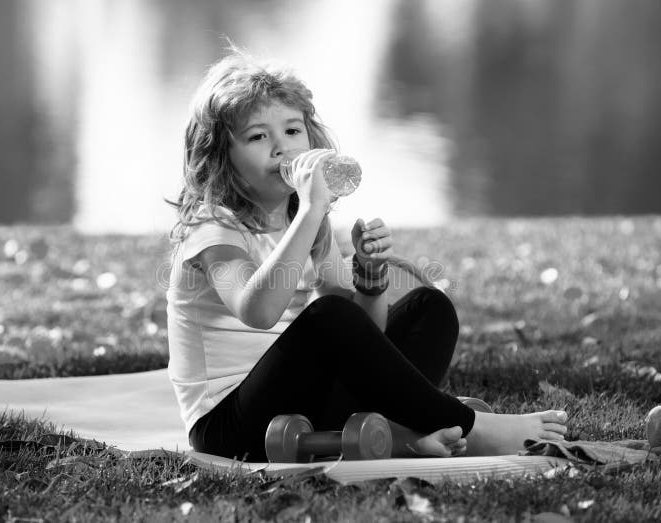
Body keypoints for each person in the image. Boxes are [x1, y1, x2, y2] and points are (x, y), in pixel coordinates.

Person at [165, 49, 568, 462]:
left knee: (430, 308)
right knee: (325, 318)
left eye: (291, 130)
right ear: (219, 157)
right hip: (232, 428)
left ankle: (403, 432)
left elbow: (358, 335)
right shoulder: (213, 226)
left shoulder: (305, 222)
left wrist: (370, 281)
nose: (281, 149)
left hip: (304, 409)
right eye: (257, 137)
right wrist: (310, 211)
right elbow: (260, 312)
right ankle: (470, 426)